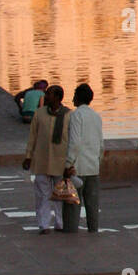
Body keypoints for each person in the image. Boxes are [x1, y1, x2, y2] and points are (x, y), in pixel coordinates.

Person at [22, 85, 70, 233]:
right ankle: (44, 225)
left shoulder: (68, 115)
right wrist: (28, 156)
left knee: (60, 195)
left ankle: (60, 223)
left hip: (60, 161)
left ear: (57, 98)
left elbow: (73, 141)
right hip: (41, 160)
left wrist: (71, 163)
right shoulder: (39, 113)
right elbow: (32, 137)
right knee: (42, 195)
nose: (46, 96)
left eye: (49, 94)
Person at [62, 83, 104, 233]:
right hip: (93, 166)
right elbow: (101, 143)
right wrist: (98, 162)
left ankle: (71, 231)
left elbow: (75, 142)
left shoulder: (75, 115)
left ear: (78, 98)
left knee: (72, 204)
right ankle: (93, 229)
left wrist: (68, 164)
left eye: (74, 95)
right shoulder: (96, 116)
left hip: (77, 167)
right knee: (92, 204)